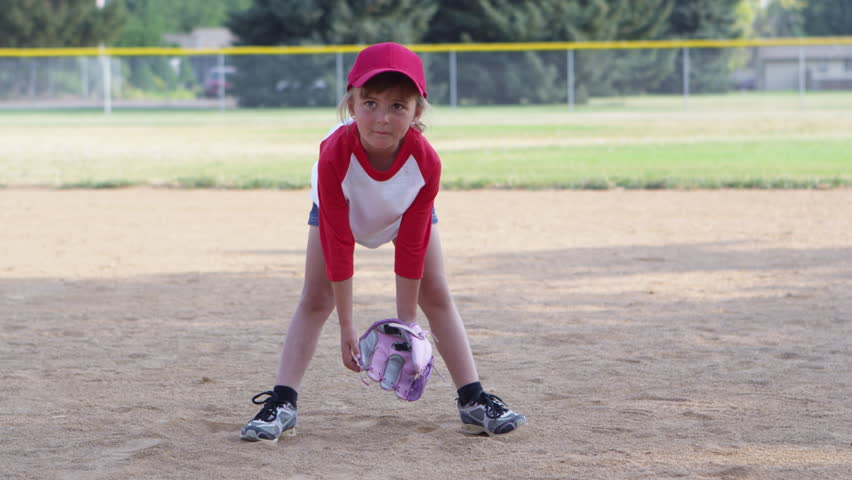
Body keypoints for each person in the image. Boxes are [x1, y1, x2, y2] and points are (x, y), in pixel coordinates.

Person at [240, 42, 526, 441]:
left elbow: (411, 247)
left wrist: (407, 326)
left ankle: (473, 399)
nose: (382, 118)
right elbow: (339, 240)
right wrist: (347, 326)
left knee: (436, 293)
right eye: (370, 103)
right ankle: (282, 401)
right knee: (316, 298)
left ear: (417, 112)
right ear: (351, 105)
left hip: (403, 211)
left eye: (397, 106)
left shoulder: (425, 162)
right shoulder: (334, 155)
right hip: (339, 212)